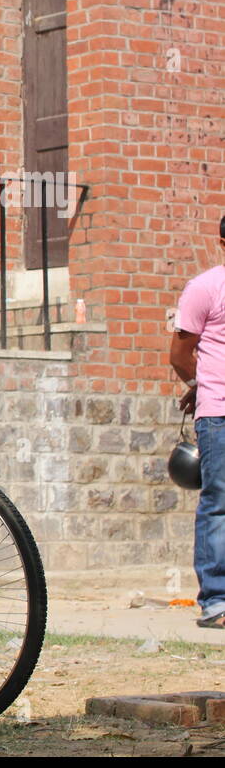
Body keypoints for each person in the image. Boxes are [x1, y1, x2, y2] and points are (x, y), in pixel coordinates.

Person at [170, 215, 225, 629]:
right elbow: (180, 354)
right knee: (219, 504)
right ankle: (217, 600)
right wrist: (199, 385)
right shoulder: (205, 288)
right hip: (219, 412)